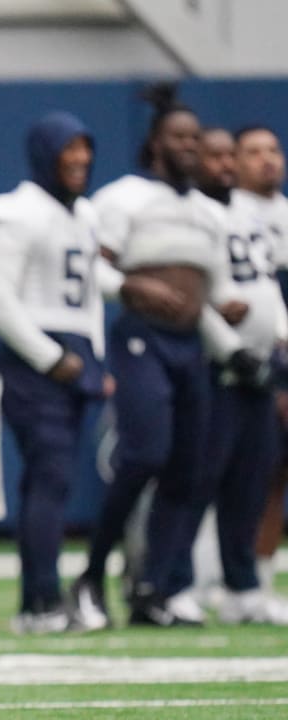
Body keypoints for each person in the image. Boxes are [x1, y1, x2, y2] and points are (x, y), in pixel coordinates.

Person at [66, 86, 233, 628]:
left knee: (189, 470)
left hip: (190, 346)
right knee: (144, 455)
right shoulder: (125, 197)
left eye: (195, 138)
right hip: (142, 337)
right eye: (178, 138)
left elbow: (206, 294)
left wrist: (226, 327)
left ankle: (153, 587)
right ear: (155, 144)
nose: (189, 147)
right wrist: (136, 289)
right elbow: (95, 267)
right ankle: (91, 575)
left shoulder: (208, 212)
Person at [0, 111, 112, 633]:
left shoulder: (82, 214)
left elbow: (91, 288)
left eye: (85, 147)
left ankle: (43, 600)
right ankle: (40, 602)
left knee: (55, 482)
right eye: (68, 149)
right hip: (36, 361)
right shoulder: (15, 211)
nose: (80, 159)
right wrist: (52, 357)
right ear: (45, 153)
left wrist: (94, 357)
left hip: (74, 355)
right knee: (48, 481)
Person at [163, 126, 288, 625]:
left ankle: (243, 587)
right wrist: (230, 344)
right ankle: (180, 582)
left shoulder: (249, 217)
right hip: (214, 367)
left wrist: (277, 340)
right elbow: (192, 290)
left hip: (262, 367)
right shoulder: (192, 214)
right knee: (199, 480)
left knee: (250, 482)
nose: (224, 166)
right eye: (221, 156)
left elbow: (265, 287)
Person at [231, 125, 288, 617]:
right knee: (241, 471)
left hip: (277, 358)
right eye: (253, 151)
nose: (267, 160)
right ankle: (221, 577)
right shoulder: (227, 213)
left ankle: (258, 580)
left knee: (275, 472)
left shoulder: (285, 215)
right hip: (243, 359)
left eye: (273, 150)